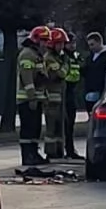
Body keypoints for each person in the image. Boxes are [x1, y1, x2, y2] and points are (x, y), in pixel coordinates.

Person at [16, 26, 50, 166]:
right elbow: (27, 78)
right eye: (44, 41)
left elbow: (41, 78)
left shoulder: (36, 55)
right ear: (36, 40)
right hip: (27, 100)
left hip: (36, 99)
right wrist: (32, 97)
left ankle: (34, 154)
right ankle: (27, 156)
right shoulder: (27, 55)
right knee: (28, 129)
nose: (46, 44)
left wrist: (43, 96)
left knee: (35, 129)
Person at [42, 27, 69, 160]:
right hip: (52, 99)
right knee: (51, 128)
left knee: (59, 127)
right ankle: (51, 152)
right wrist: (66, 64)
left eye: (63, 43)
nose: (62, 46)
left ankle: (59, 151)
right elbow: (61, 74)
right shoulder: (50, 58)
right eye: (59, 44)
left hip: (58, 98)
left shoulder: (57, 58)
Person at [61, 32, 84, 160]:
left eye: (74, 42)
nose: (72, 45)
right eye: (69, 43)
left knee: (70, 124)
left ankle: (70, 150)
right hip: (64, 90)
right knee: (66, 124)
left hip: (72, 90)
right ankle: (66, 149)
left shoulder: (75, 56)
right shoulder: (63, 56)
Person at [81, 31, 106, 111]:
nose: (91, 47)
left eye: (92, 44)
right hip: (89, 91)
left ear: (99, 42)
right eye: (89, 45)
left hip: (102, 92)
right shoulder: (90, 57)